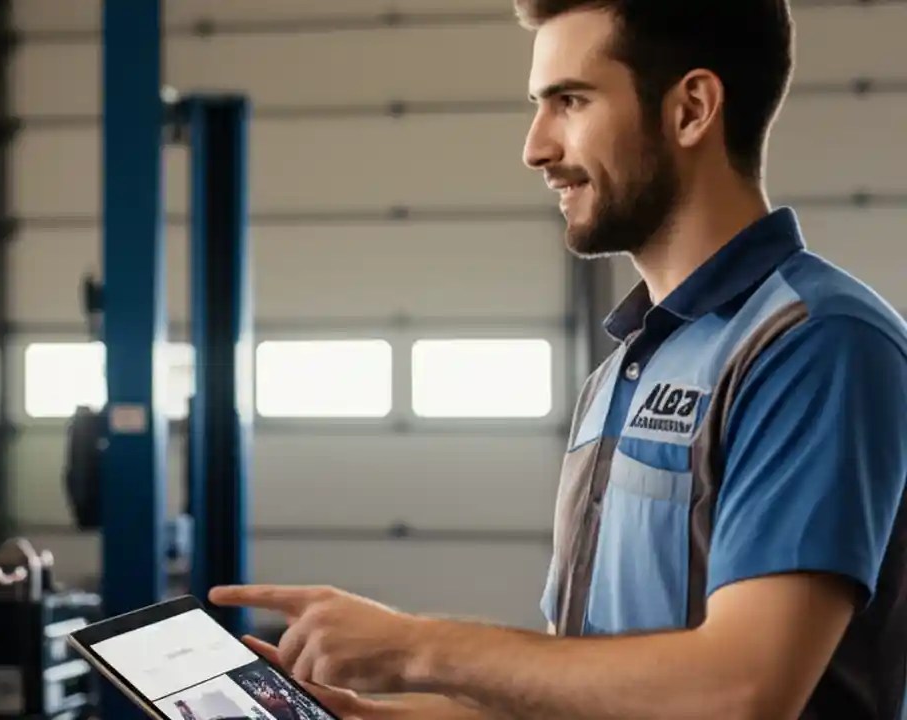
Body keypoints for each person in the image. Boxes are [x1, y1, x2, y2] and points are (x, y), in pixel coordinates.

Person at [211, 1, 907, 718]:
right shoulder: (624, 372)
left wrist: (414, 646)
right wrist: (365, 715)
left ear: (691, 109)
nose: (536, 148)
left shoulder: (815, 342)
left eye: (569, 101)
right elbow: (571, 689)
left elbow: (742, 692)